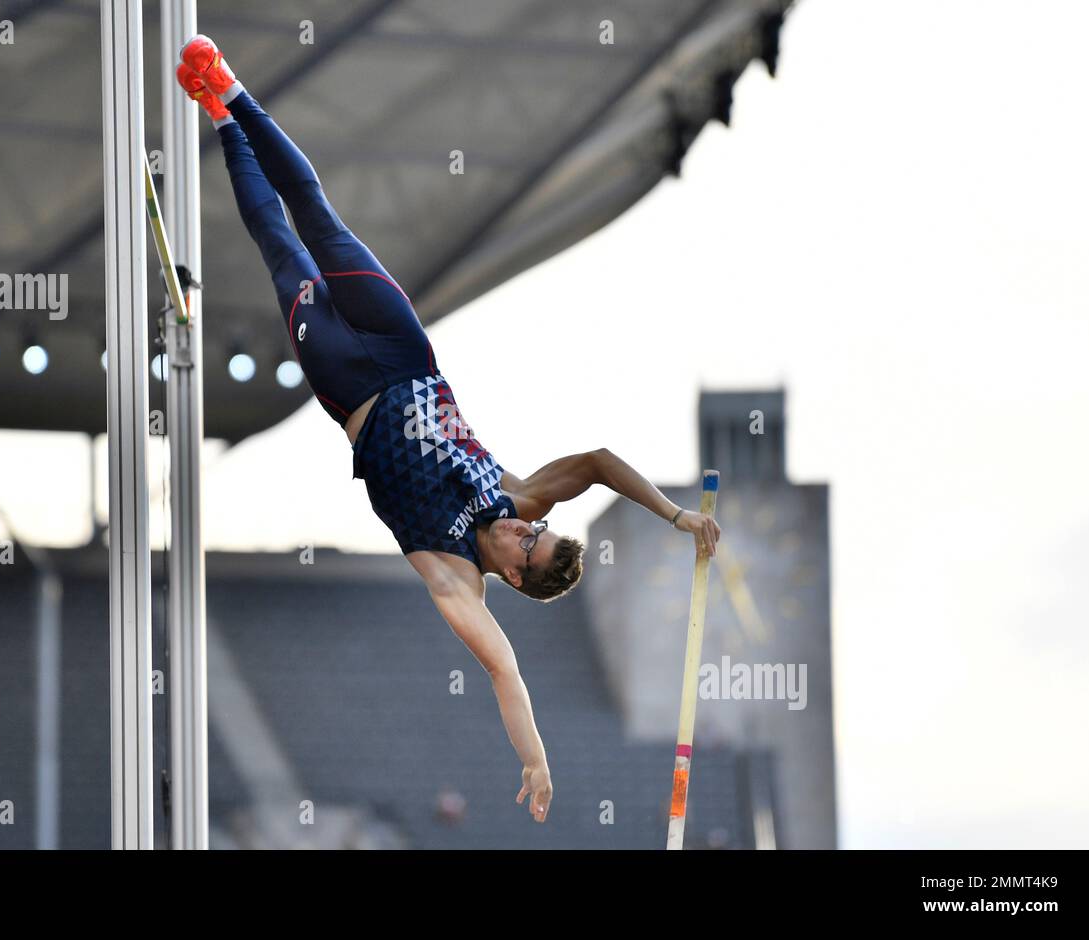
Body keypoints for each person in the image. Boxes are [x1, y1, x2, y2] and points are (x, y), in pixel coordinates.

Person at [176, 36, 722, 824]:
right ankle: (232, 87)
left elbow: (506, 674)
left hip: (348, 388)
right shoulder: (520, 493)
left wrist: (534, 761)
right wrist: (675, 516)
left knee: (282, 249)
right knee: (320, 216)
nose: (520, 524)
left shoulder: (456, 583)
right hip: (403, 347)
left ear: (516, 576)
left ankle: (220, 118)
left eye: (524, 543)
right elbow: (600, 461)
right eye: (534, 527)